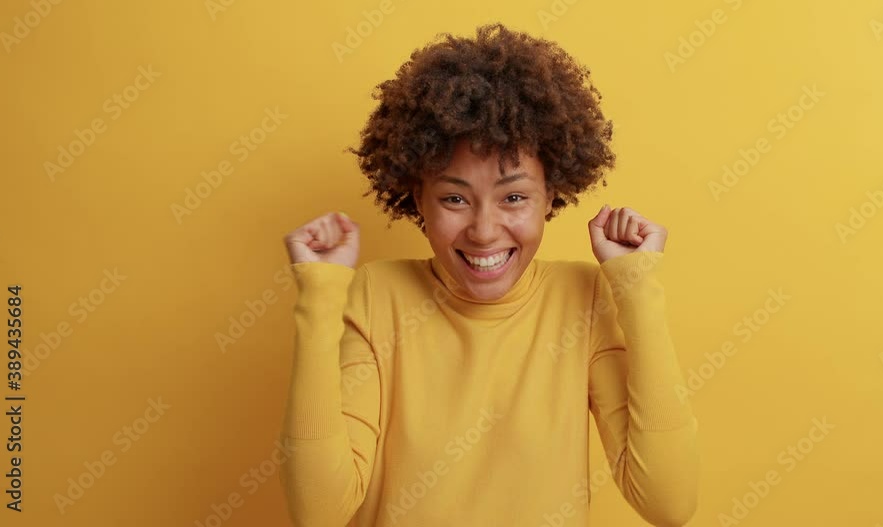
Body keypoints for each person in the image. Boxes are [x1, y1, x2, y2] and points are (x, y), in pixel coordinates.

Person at [279, 23, 698, 527]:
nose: (482, 231)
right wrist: (321, 297)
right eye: (454, 198)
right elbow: (319, 512)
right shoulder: (374, 295)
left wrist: (636, 286)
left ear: (551, 197)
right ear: (418, 199)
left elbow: (668, 504)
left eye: (514, 198)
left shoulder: (583, 299)